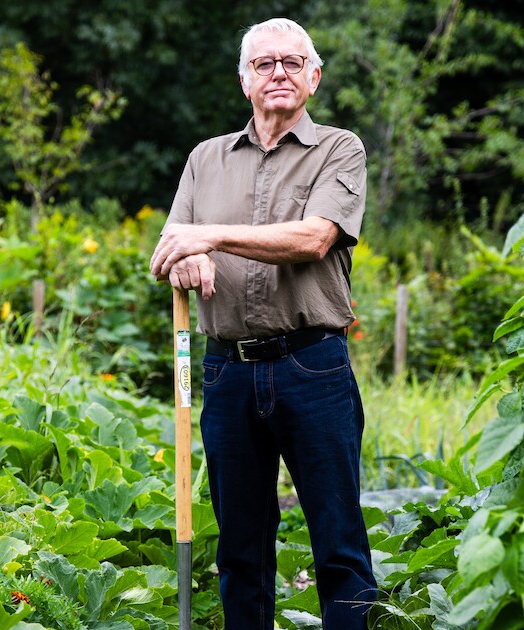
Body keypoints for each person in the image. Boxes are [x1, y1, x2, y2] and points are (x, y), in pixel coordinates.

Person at [148, 17, 377, 630]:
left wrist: (212, 235)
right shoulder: (206, 159)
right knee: (241, 549)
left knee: (338, 541)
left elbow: (315, 237)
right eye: (265, 64)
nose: (279, 73)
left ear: (315, 77)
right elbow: (171, 245)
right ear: (244, 79)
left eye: (292, 63)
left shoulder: (340, 148)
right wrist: (189, 257)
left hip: (312, 365)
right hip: (226, 371)